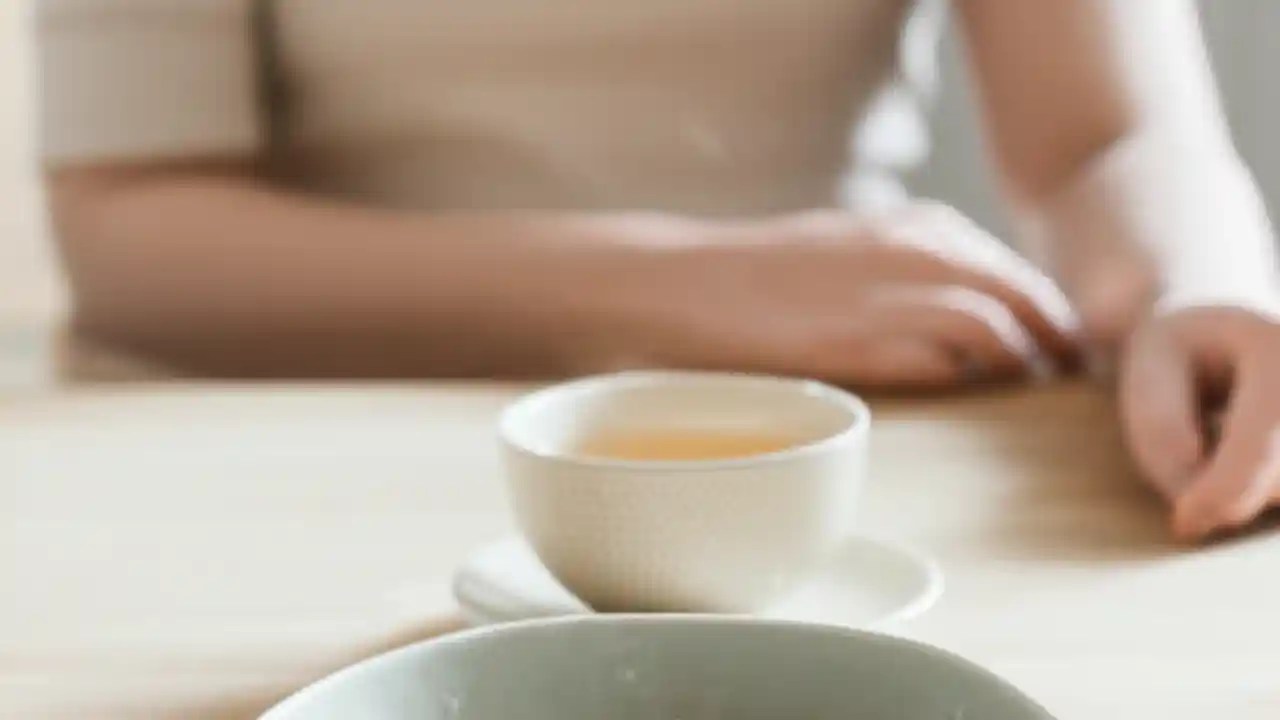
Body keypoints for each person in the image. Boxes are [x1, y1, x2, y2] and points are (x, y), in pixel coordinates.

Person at [37, 0, 1280, 541]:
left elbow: (1109, 140)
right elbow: (129, 236)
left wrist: (1205, 283)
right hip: (264, 457)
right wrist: (688, 290)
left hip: (826, 437)